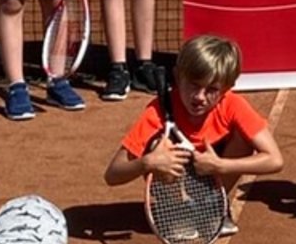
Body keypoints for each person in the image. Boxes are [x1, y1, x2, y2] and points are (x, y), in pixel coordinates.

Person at [103, 33, 285, 232]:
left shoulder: (234, 105)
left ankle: (213, 204)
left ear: (227, 88)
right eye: (194, 85)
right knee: (159, 145)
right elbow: (112, 174)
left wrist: (220, 165)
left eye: (211, 89)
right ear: (178, 76)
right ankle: (178, 211)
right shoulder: (157, 111)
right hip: (174, 176)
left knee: (244, 137)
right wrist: (148, 162)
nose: (199, 97)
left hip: (213, 171)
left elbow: (275, 160)